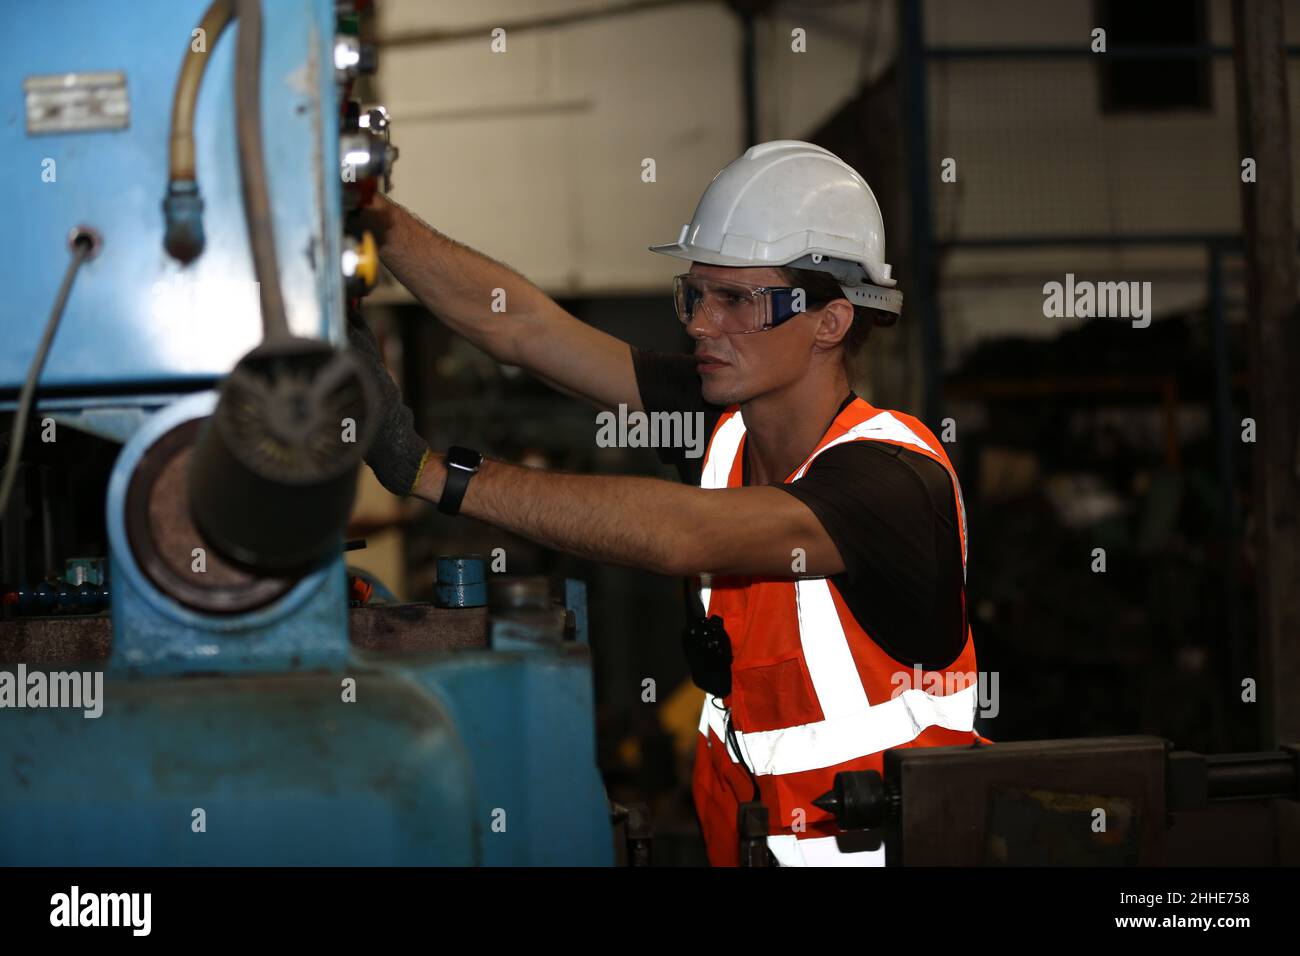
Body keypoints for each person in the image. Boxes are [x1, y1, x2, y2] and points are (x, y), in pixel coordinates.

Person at [351, 140, 983, 866]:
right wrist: (375, 219)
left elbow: (682, 535)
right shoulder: (725, 422)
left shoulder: (893, 483)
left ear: (830, 321)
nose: (699, 323)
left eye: (736, 299)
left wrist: (435, 474)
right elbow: (521, 328)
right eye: (695, 293)